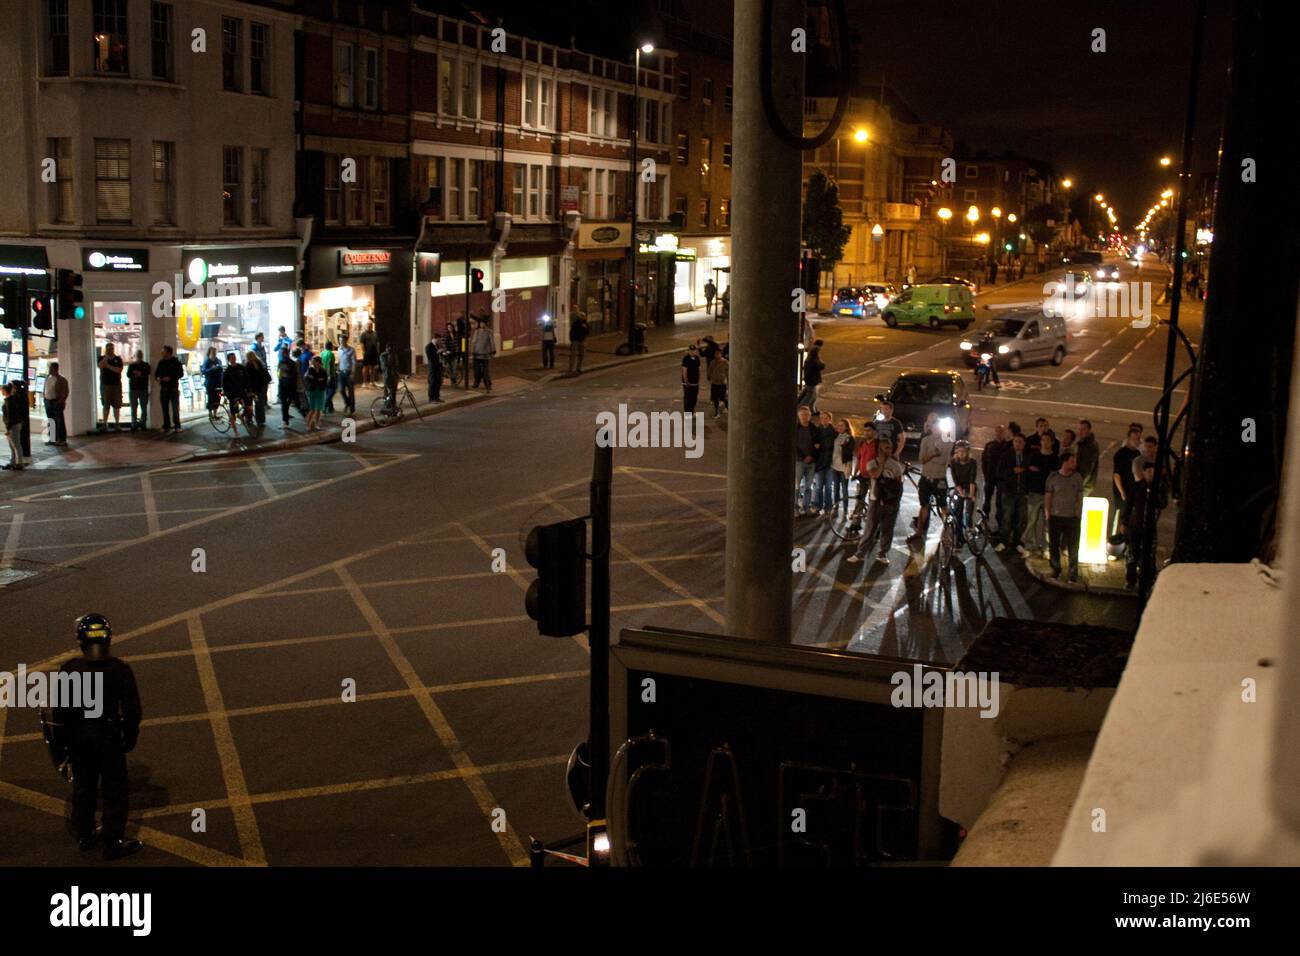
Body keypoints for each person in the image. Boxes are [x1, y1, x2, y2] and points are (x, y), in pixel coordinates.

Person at [53, 614, 143, 861]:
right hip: (108, 737)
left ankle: (85, 833)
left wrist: (62, 745)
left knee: (84, 786)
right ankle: (113, 842)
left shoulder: (70, 669)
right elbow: (133, 710)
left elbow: (60, 712)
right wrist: (129, 736)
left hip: (79, 738)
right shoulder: (120, 670)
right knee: (114, 789)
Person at [846, 435, 904, 565]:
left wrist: (895, 502)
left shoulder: (896, 465)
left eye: (890, 448)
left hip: (890, 502)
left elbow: (899, 485)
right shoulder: (872, 463)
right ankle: (860, 553)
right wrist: (882, 462)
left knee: (887, 529)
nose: (888, 450)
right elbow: (875, 474)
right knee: (870, 528)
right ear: (879, 449)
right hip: (875, 499)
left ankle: (882, 553)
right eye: (885, 448)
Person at [1123, 460, 1166, 588]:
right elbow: (1128, 506)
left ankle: (1147, 582)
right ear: (1143, 472)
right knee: (1132, 554)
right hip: (1136, 525)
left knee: (1149, 555)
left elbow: (1163, 503)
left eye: (1153, 472)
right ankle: (1131, 581)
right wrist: (1124, 522)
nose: (1151, 474)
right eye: (1148, 472)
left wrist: (1156, 493)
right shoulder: (1136, 487)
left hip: (1150, 526)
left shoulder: (1159, 487)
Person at [1045, 451, 1085, 581]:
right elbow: (1048, 496)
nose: (1075, 464)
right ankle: (1056, 569)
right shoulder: (1053, 477)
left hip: (1072, 518)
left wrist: (1079, 512)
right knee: (1054, 544)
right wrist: (1048, 512)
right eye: (1072, 461)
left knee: (1073, 546)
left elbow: (1080, 496)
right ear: (1065, 462)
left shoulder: (1077, 477)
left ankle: (1073, 573)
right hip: (1056, 516)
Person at [912, 418, 953, 540]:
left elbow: (943, 461)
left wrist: (929, 456)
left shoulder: (947, 441)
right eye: (934, 427)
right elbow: (921, 459)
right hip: (926, 477)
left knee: (943, 506)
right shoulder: (926, 440)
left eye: (938, 428)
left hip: (939, 478)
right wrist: (933, 454)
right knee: (923, 505)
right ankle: (919, 532)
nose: (936, 430)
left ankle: (948, 534)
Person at [1025, 432, 1060, 556]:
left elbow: (1055, 477)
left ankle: (1046, 547)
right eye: (1043, 440)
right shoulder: (1034, 456)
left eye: (1047, 440)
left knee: (1048, 523)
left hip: (1049, 495)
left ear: (1052, 442)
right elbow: (1029, 473)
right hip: (1035, 493)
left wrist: (1039, 471)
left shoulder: (1055, 458)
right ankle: (1030, 545)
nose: (1045, 442)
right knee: (1031, 521)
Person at [996, 433, 1030, 553]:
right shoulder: (1006, 455)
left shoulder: (1026, 456)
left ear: (1024, 443)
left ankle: (1017, 542)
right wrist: (1012, 471)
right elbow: (999, 472)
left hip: (1022, 492)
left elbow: (1028, 474)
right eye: (1016, 441)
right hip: (1009, 491)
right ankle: (1004, 541)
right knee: (1007, 517)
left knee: (1021, 518)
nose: (1018, 444)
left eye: (1020, 442)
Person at [1111, 425, 1143, 539]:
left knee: (1129, 518)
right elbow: (1116, 475)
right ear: (1128, 439)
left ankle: (1125, 541)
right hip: (1122, 493)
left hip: (1133, 491)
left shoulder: (1138, 455)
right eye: (1134, 439)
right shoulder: (1121, 454)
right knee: (1120, 517)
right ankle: (1115, 541)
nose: (1137, 441)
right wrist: (1122, 492)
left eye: (1138, 439)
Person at [949, 440, 978, 546]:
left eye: (963, 451)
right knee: (958, 512)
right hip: (959, 488)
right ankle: (959, 536)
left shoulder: (972, 462)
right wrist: (961, 493)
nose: (961, 454)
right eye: (959, 451)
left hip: (970, 487)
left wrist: (970, 495)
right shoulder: (953, 461)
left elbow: (972, 479)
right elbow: (955, 479)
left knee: (969, 510)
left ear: (968, 452)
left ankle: (970, 528)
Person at [981, 423, 1009, 525]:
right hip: (990, 476)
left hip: (1002, 478)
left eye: (1001, 431)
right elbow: (984, 461)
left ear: (1004, 433)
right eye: (997, 431)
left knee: (1000, 501)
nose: (999, 433)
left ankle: (1000, 520)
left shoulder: (1008, 446)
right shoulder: (989, 445)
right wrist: (985, 474)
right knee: (987, 498)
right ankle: (985, 517)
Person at [794, 405, 819, 514]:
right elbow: (793, 445)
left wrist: (811, 456)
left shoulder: (814, 429)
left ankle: (806, 506)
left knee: (808, 486)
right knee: (796, 486)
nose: (805, 417)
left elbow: (818, 445)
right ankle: (795, 507)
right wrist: (804, 457)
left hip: (811, 461)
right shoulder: (796, 429)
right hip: (799, 460)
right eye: (802, 415)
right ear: (799, 416)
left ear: (810, 416)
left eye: (807, 415)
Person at [830, 418, 856, 515]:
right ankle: (835, 508)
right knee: (836, 488)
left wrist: (844, 446)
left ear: (846, 427)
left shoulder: (849, 438)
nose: (839, 427)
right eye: (838, 425)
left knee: (844, 489)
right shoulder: (836, 436)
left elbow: (850, 453)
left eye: (842, 426)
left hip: (844, 467)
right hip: (834, 466)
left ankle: (845, 510)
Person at [154, 347, 183, 432]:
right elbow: (156, 374)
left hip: (173, 388)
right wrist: (158, 378)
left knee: (175, 408)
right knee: (164, 408)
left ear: (168, 353)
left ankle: (177, 425)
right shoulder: (161, 362)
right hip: (164, 388)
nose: (162, 353)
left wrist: (171, 378)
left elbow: (181, 373)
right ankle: (166, 425)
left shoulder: (176, 362)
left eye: (163, 352)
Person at [221, 352, 250, 437]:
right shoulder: (227, 371)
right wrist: (229, 395)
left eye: (234, 357)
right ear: (229, 360)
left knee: (249, 408)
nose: (234, 359)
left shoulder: (241, 368)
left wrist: (248, 389)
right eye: (232, 358)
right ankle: (235, 431)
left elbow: (247, 378)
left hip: (242, 392)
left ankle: (241, 416)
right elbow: (224, 385)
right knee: (233, 413)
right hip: (233, 394)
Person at [97, 343, 124, 431]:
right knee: (106, 404)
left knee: (117, 405)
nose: (110, 350)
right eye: (108, 349)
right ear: (106, 349)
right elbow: (100, 365)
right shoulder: (102, 358)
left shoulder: (118, 359)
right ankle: (105, 424)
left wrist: (108, 366)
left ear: (113, 349)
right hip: (105, 385)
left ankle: (117, 423)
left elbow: (118, 370)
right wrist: (106, 358)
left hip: (116, 385)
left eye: (111, 348)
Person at [814, 410, 837, 515]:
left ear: (830, 419)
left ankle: (828, 507)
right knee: (819, 486)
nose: (823, 420)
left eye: (826, 418)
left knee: (828, 486)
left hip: (829, 462)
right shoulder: (817, 430)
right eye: (822, 418)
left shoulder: (834, 432)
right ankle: (818, 506)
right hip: (819, 462)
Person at [43, 361, 70, 446]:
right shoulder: (48, 377)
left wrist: (61, 400)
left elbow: (65, 391)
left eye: (51, 368)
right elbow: (45, 388)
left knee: (59, 421)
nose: (49, 370)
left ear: (56, 369)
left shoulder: (62, 379)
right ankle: (52, 439)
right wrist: (45, 397)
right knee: (51, 420)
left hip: (56, 402)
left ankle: (62, 439)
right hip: (48, 401)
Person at [125, 349, 151, 431]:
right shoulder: (132, 365)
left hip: (143, 389)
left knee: (144, 407)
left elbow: (147, 372)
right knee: (134, 407)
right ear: (136, 356)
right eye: (138, 355)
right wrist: (137, 374)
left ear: (142, 356)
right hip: (134, 389)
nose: (139, 356)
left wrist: (138, 373)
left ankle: (143, 423)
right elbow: (128, 374)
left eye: (140, 355)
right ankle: (134, 423)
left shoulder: (146, 365)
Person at [1074, 419, 1100, 496]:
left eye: (1083, 429)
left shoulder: (1089, 446)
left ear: (1089, 430)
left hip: (1084, 484)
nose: (1080, 431)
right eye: (1079, 429)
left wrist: (1078, 484)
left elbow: (1087, 468)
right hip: (1084, 483)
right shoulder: (1083, 443)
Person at [798, 340, 825, 414]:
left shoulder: (810, 359)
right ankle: (800, 409)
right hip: (811, 381)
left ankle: (812, 410)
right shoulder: (813, 361)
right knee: (810, 397)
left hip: (810, 380)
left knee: (813, 396)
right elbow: (822, 366)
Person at [245, 351, 270, 427]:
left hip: (256, 387)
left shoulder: (255, 364)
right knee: (257, 404)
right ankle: (256, 420)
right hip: (256, 387)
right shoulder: (253, 364)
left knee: (256, 404)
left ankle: (255, 420)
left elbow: (249, 377)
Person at [2, 383, 23, 470]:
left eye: (2, 390)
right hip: (14, 424)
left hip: (13, 425)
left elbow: (10, 416)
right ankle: (13, 462)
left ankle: (18, 463)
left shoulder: (9, 401)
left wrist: (8, 428)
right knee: (12, 445)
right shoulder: (10, 400)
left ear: (5, 391)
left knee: (15, 444)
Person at [276, 347, 300, 427]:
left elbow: (294, 376)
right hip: (282, 385)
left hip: (290, 386)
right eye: (281, 353)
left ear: (286, 353)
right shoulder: (281, 362)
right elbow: (279, 373)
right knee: (284, 404)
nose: (281, 354)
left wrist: (294, 386)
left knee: (294, 403)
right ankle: (285, 421)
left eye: (283, 353)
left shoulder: (292, 363)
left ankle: (306, 416)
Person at [304, 355, 329, 430]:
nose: (312, 362)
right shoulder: (310, 369)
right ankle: (308, 424)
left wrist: (315, 379)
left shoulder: (323, 371)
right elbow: (308, 379)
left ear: (318, 362)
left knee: (319, 409)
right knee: (312, 408)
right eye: (312, 361)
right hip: (312, 390)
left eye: (314, 361)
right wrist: (318, 380)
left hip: (321, 390)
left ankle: (317, 424)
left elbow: (324, 380)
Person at [471, 318, 495, 390]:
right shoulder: (477, 331)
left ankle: (488, 384)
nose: (482, 324)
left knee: (485, 371)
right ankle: (476, 383)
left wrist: (493, 351)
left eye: (483, 323)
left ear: (485, 324)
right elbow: (474, 342)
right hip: (476, 354)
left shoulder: (489, 332)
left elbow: (492, 342)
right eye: (481, 323)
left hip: (485, 355)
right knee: (477, 371)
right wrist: (472, 351)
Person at [201, 346, 224, 414]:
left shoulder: (218, 361)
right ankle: (210, 413)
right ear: (209, 353)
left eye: (215, 352)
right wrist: (212, 369)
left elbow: (221, 370)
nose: (214, 354)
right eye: (212, 352)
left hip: (218, 383)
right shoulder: (207, 361)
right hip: (210, 384)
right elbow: (203, 371)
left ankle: (215, 413)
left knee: (218, 398)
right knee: (211, 398)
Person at [338, 337, 357, 415]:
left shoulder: (351, 350)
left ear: (346, 341)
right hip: (341, 372)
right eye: (339, 341)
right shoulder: (339, 349)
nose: (341, 342)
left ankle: (352, 409)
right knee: (341, 390)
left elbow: (354, 362)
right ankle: (347, 403)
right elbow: (340, 360)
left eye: (342, 340)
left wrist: (353, 373)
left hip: (349, 372)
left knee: (350, 391)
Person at [681, 343, 701, 414]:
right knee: (688, 398)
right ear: (689, 351)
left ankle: (692, 411)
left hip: (695, 382)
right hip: (688, 383)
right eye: (691, 350)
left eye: (694, 350)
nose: (692, 352)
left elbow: (698, 369)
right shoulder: (686, 358)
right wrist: (686, 381)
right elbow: (684, 370)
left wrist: (698, 379)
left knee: (694, 398)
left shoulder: (697, 358)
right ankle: (688, 413)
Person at [380, 342, 400, 410]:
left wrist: (397, 376)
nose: (389, 350)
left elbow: (396, 365)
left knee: (393, 392)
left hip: (394, 376)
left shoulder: (394, 355)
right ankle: (386, 405)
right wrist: (389, 356)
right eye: (388, 348)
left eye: (391, 348)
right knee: (388, 393)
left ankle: (393, 405)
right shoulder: (383, 355)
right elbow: (385, 365)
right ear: (386, 348)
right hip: (387, 376)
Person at [360, 321, 380, 386]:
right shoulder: (363, 334)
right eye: (368, 325)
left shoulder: (375, 333)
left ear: (372, 326)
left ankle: (372, 381)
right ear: (366, 325)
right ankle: (364, 382)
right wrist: (363, 352)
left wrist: (377, 350)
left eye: (370, 325)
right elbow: (362, 343)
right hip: (367, 353)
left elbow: (377, 342)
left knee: (372, 368)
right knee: (365, 368)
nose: (369, 326)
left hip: (373, 353)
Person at [320, 340, 338, 413]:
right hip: (330, 374)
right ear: (331, 346)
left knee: (327, 391)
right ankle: (325, 405)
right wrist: (329, 375)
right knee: (332, 390)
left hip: (323, 374)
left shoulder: (322, 353)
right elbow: (330, 365)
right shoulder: (330, 354)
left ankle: (330, 408)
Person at [424, 334, 443, 403]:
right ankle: (431, 398)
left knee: (438, 382)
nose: (439, 341)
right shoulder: (429, 346)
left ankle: (437, 397)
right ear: (435, 338)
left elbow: (439, 355)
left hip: (438, 366)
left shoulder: (437, 346)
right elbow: (430, 356)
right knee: (432, 382)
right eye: (438, 339)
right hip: (432, 367)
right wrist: (437, 352)